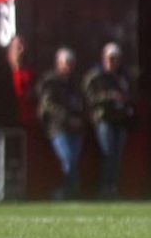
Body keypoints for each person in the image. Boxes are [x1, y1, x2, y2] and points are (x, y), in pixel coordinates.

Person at [83, 42, 134, 198]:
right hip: (104, 119)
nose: (113, 62)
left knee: (117, 157)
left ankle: (113, 188)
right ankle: (104, 188)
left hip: (120, 121)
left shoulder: (122, 77)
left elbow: (130, 96)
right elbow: (89, 97)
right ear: (104, 58)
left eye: (116, 58)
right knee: (107, 154)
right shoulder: (95, 76)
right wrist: (110, 97)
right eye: (110, 58)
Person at [37, 47, 86, 200]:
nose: (69, 66)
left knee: (73, 161)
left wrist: (80, 119)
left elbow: (83, 103)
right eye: (66, 63)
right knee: (68, 159)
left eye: (71, 63)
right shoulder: (50, 82)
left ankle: (71, 191)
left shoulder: (76, 84)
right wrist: (67, 118)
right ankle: (67, 191)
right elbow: (48, 105)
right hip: (58, 128)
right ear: (58, 63)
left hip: (76, 129)